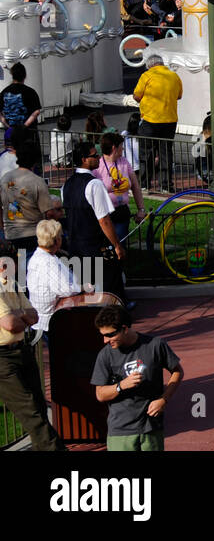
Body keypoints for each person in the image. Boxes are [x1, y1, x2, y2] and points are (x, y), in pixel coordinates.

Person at [0, 238, 64, 450]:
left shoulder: (12, 285)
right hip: (3, 360)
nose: (10, 266)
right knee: (31, 412)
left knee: (37, 403)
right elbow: (10, 324)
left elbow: (34, 316)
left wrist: (19, 315)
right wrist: (20, 316)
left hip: (22, 350)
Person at [91, 304, 183, 451]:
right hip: (121, 432)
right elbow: (100, 394)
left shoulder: (155, 345)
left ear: (125, 329)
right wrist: (121, 385)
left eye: (110, 335)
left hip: (151, 428)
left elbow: (177, 371)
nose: (105, 340)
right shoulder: (105, 355)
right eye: (103, 335)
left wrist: (163, 399)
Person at [63, 141, 127, 304]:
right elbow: (104, 220)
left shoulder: (67, 185)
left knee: (85, 289)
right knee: (107, 288)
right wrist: (117, 245)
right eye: (94, 155)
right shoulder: (94, 184)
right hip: (95, 247)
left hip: (75, 247)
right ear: (84, 159)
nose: (99, 158)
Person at [25, 221, 89, 334]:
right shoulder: (48, 261)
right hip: (49, 321)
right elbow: (67, 289)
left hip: (46, 314)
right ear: (57, 241)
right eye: (60, 236)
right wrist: (84, 287)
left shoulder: (40, 255)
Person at [132, 54, 182, 191]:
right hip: (170, 120)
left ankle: (144, 184)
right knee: (166, 152)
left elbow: (137, 96)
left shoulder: (146, 76)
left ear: (149, 65)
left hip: (150, 120)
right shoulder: (174, 76)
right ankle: (165, 185)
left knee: (146, 153)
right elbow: (179, 96)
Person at [2, 143, 58, 255]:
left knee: (21, 269)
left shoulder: (5, 179)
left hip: (11, 234)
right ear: (35, 161)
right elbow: (50, 213)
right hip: (33, 235)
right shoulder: (37, 181)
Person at [94, 132, 145, 249]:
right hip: (105, 213)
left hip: (121, 212)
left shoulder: (124, 162)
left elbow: (136, 187)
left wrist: (141, 209)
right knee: (105, 246)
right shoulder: (98, 166)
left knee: (120, 245)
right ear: (114, 148)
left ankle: (119, 266)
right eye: (121, 146)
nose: (123, 149)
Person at [1, 62, 41, 151]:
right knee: (29, 160)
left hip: (10, 132)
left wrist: (5, 124)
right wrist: (24, 126)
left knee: (11, 158)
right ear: (25, 75)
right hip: (28, 133)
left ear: (12, 75)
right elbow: (36, 111)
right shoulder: (31, 92)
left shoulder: (4, 92)